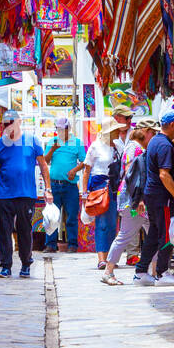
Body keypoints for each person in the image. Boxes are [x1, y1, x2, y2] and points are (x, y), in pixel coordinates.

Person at [0, 110, 53, 279]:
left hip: (26, 194)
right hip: (5, 194)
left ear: (18, 122)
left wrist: (48, 189)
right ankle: (5, 266)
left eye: (11, 122)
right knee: (4, 231)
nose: (7, 126)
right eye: (5, 123)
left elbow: (43, 166)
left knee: (24, 230)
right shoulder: (0, 144)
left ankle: (26, 263)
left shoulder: (32, 140)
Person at [134, 109, 174, 286]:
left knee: (155, 233)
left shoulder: (157, 142)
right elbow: (164, 175)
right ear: (172, 125)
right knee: (166, 234)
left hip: (153, 195)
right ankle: (162, 273)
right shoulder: (164, 145)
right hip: (161, 197)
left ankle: (141, 272)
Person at [102, 119, 156, 285]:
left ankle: (156, 271)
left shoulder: (133, 146)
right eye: (153, 133)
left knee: (155, 234)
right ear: (146, 132)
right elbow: (135, 176)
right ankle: (108, 271)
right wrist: (139, 199)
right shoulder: (136, 148)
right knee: (126, 235)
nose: (154, 136)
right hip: (134, 202)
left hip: (133, 200)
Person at [70, 118, 127, 269]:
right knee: (102, 222)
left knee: (113, 223)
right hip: (99, 187)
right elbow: (86, 171)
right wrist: (84, 193)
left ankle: (110, 256)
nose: (119, 132)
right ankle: (102, 257)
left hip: (115, 186)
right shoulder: (96, 147)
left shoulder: (119, 146)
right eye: (115, 130)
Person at [43, 117, 84, 252]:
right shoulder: (52, 142)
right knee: (52, 216)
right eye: (58, 129)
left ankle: (72, 245)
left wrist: (74, 170)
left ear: (68, 129)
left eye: (63, 129)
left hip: (70, 185)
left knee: (71, 216)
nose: (60, 132)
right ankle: (50, 245)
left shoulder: (77, 143)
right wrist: (53, 149)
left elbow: (85, 161)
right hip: (54, 185)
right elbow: (45, 161)